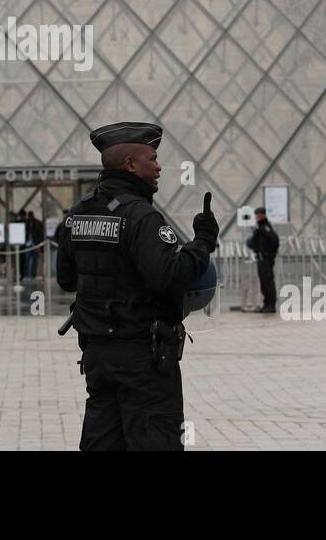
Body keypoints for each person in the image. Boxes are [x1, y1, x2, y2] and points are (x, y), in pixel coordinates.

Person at [56, 122, 217, 451]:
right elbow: (169, 277)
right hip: (143, 359)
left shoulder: (78, 213)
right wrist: (202, 242)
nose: (158, 166)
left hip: (97, 356)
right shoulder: (141, 217)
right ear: (131, 164)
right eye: (153, 158)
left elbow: (66, 279)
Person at [247, 206, 280, 313]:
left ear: (263, 215)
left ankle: (271, 305)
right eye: (256, 215)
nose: (257, 217)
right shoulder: (260, 229)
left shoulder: (266, 228)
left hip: (266, 259)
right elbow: (254, 243)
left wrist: (270, 255)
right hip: (261, 259)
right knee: (264, 283)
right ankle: (266, 304)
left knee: (268, 282)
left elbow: (275, 241)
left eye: (259, 215)